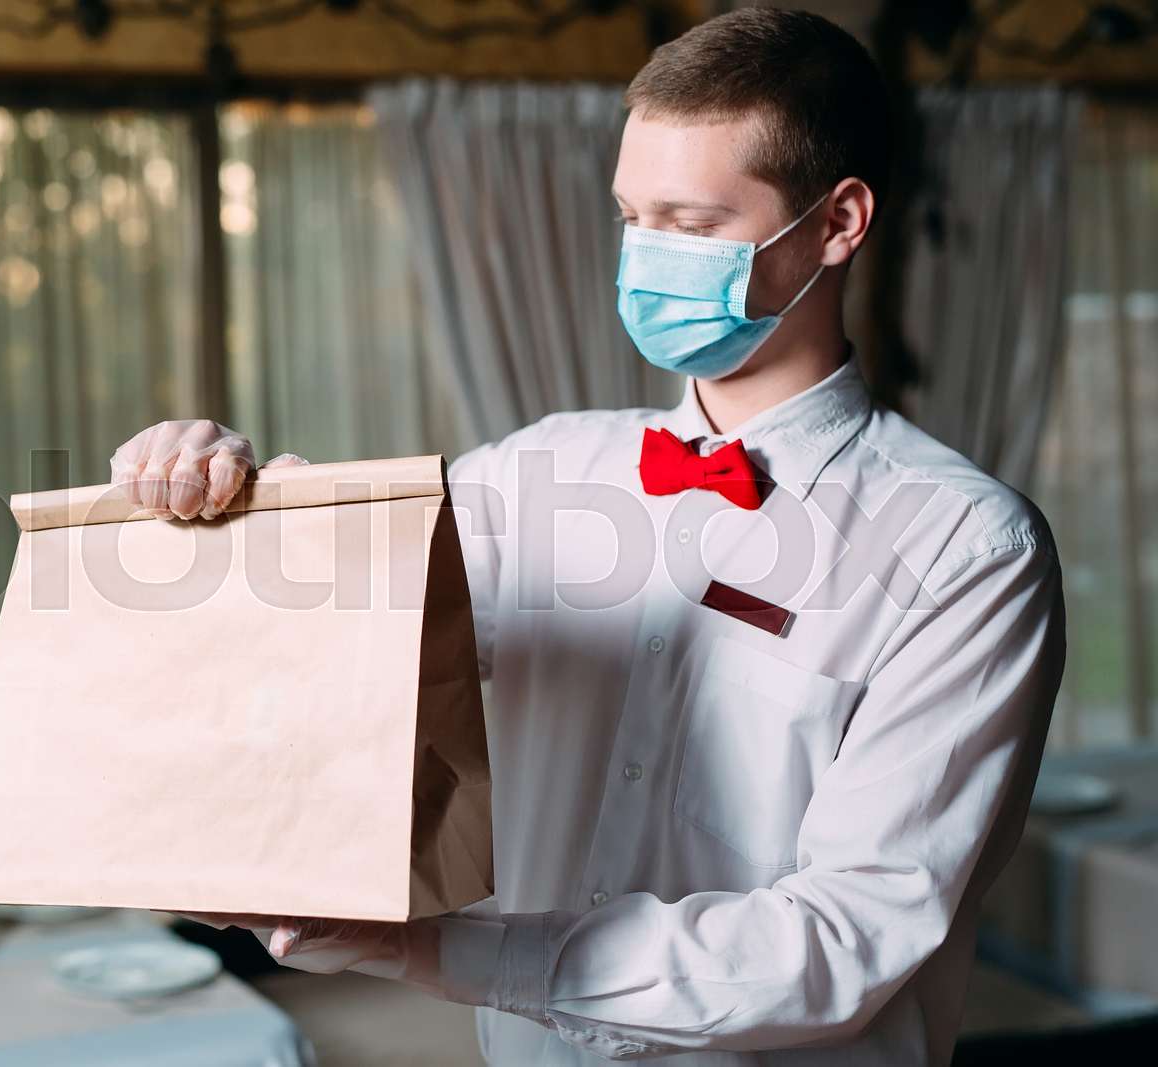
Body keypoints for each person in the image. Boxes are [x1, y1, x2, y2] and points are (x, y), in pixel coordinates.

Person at [108, 9, 1065, 1065]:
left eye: (692, 224)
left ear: (837, 223)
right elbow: (334, 651)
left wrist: (434, 952)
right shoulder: (532, 471)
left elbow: (836, 945)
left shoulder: (969, 550)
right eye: (631, 217)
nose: (648, 257)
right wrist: (225, 500)